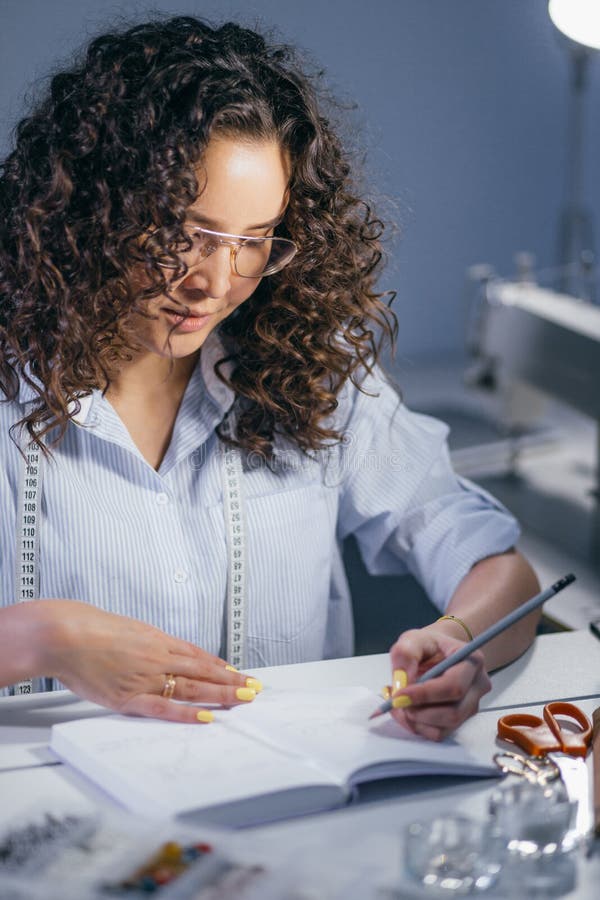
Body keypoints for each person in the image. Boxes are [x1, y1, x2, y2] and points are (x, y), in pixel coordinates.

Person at [0, 15, 540, 740]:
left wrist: (457, 637)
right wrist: (38, 639)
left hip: (282, 821)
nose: (215, 283)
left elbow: (497, 567)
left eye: (253, 242)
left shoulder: (310, 374)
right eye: (185, 233)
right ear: (89, 210)